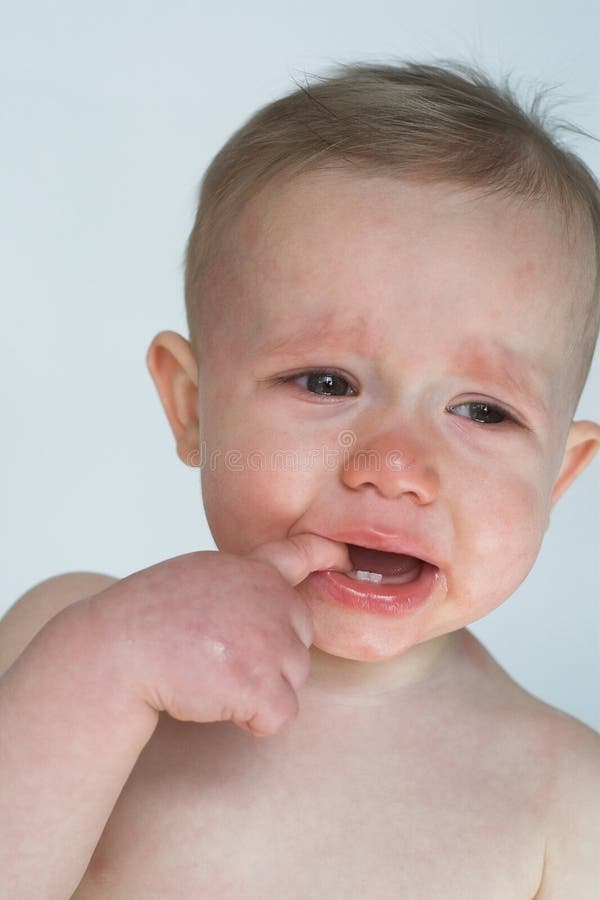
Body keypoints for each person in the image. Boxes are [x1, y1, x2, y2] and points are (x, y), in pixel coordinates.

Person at [1, 59, 599, 898]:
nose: (396, 469)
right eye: (327, 383)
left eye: (483, 412)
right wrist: (99, 671)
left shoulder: (567, 801)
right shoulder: (67, 638)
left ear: (559, 474)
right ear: (193, 408)